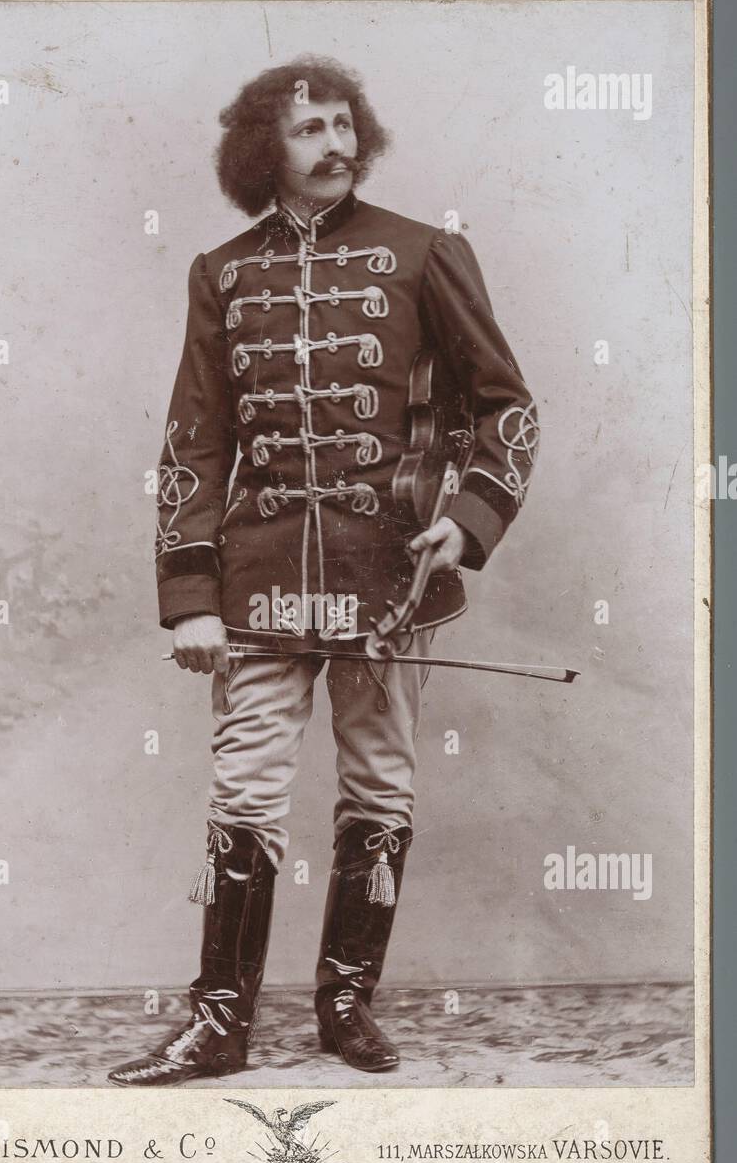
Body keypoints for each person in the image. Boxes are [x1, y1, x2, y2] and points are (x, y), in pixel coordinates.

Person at [108, 56, 539, 1086]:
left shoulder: (425, 252)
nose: (336, 145)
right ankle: (219, 1023)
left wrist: (467, 523)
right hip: (256, 582)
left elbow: (507, 408)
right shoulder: (220, 272)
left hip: (389, 574)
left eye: (345, 125)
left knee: (379, 780)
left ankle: (347, 1007)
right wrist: (190, 600)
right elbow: (194, 444)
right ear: (264, 149)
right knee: (244, 786)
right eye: (311, 130)